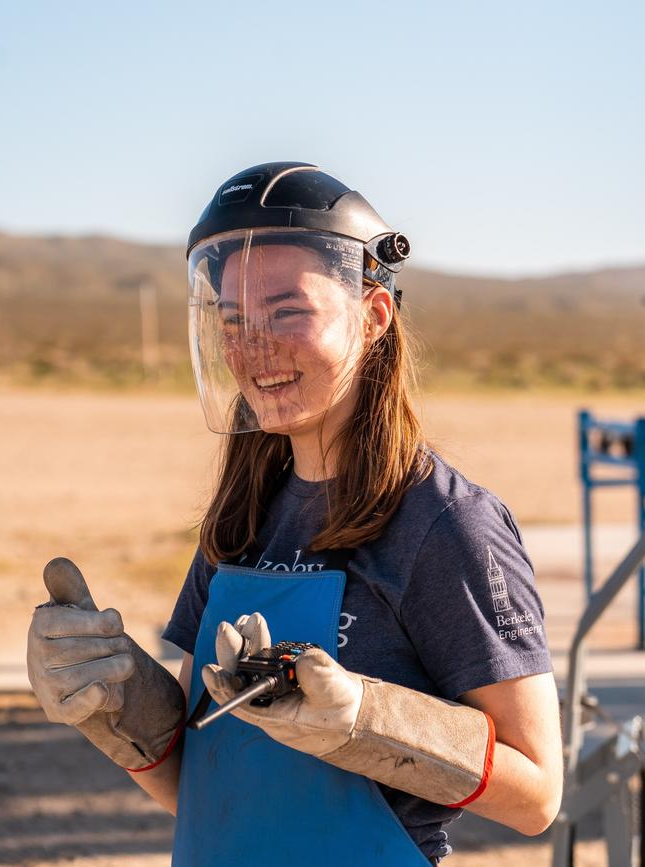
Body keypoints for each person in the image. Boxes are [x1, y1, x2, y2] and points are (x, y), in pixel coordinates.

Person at [27, 162, 563, 865]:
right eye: (232, 320)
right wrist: (113, 697)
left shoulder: (445, 524)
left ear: (374, 316)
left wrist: (366, 721)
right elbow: (200, 781)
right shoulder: (243, 516)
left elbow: (538, 793)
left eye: (287, 312)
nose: (253, 347)